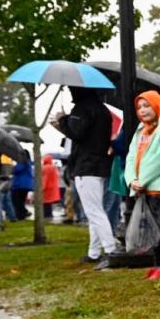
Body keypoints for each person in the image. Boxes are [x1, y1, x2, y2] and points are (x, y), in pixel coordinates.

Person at [53, 87, 118, 269]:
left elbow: (77, 133)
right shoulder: (103, 110)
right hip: (100, 165)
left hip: (86, 165)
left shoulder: (82, 108)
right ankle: (94, 252)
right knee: (95, 210)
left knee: (94, 211)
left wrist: (62, 120)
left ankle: (110, 250)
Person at [125, 90, 160, 279]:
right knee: (152, 226)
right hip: (142, 186)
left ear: (156, 105)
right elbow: (131, 157)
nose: (142, 110)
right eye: (139, 107)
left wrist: (142, 179)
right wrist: (132, 180)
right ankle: (156, 264)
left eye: (146, 105)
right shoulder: (140, 130)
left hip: (159, 185)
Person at [10, 151, 34, 220]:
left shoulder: (22, 162)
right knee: (21, 200)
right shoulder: (28, 162)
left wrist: (12, 165)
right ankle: (22, 214)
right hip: (25, 185)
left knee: (16, 200)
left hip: (20, 185)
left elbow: (15, 170)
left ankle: (22, 213)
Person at [41, 154, 61, 219]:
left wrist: (42, 187)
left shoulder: (45, 168)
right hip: (53, 187)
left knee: (45, 203)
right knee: (49, 203)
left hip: (47, 187)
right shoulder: (53, 168)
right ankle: (49, 215)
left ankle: (47, 216)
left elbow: (45, 179)